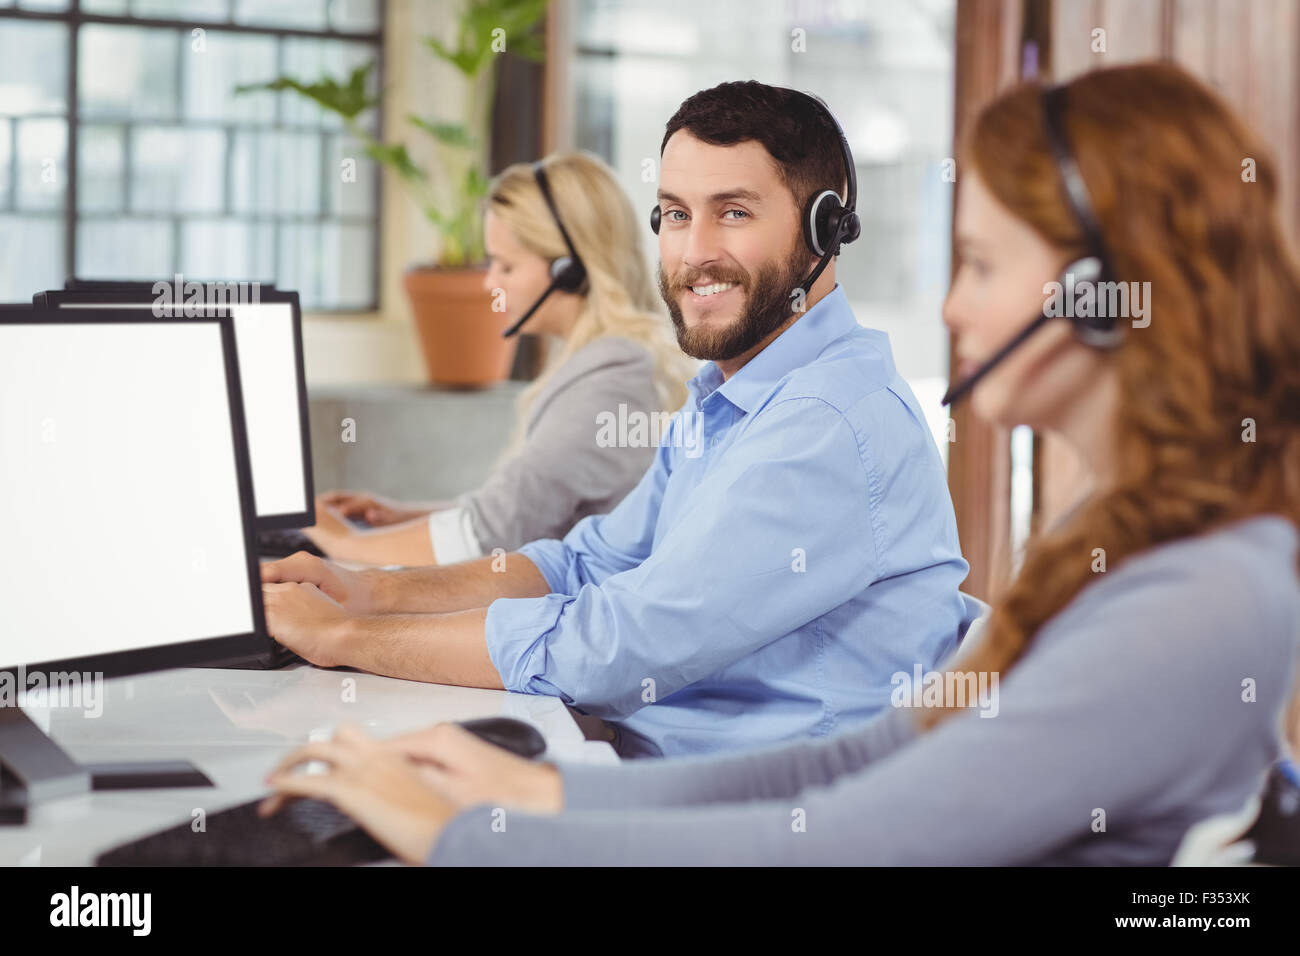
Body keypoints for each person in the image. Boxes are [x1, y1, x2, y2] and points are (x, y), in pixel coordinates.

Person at [262, 62, 1300, 865]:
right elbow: (860, 764)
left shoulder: (1198, 596)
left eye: (980, 266)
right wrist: (545, 796)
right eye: (672, 212)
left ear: (1100, 292)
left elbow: (853, 838)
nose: (949, 309)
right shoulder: (1129, 538)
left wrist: (469, 830)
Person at [261, 81, 979, 758]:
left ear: (826, 227)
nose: (695, 253)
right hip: (655, 774)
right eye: (673, 214)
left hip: (757, 822)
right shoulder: (729, 399)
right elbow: (586, 562)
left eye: (733, 212)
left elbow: (615, 646)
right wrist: (369, 589)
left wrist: (348, 636)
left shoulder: (825, 422)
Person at [306, 151, 698, 567]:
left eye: (505, 266)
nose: (490, 282)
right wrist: (401, 517)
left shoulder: (614, 378)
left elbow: (488, 532)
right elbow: (528, 509)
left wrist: (344, 541)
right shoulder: (602, 358)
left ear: (570, 271)